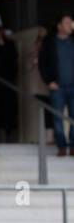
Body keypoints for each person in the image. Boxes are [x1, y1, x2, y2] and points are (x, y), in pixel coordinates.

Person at [39, 13, 74, 156]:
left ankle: (73, 146)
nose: (69, 25)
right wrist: (49, 81)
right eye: (66, 23)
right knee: (57, 117)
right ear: (59, 26)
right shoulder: (49, 42)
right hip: (57, 87)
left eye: (71, 23)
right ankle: (61, 145)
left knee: (73, 117)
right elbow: (43, 63)